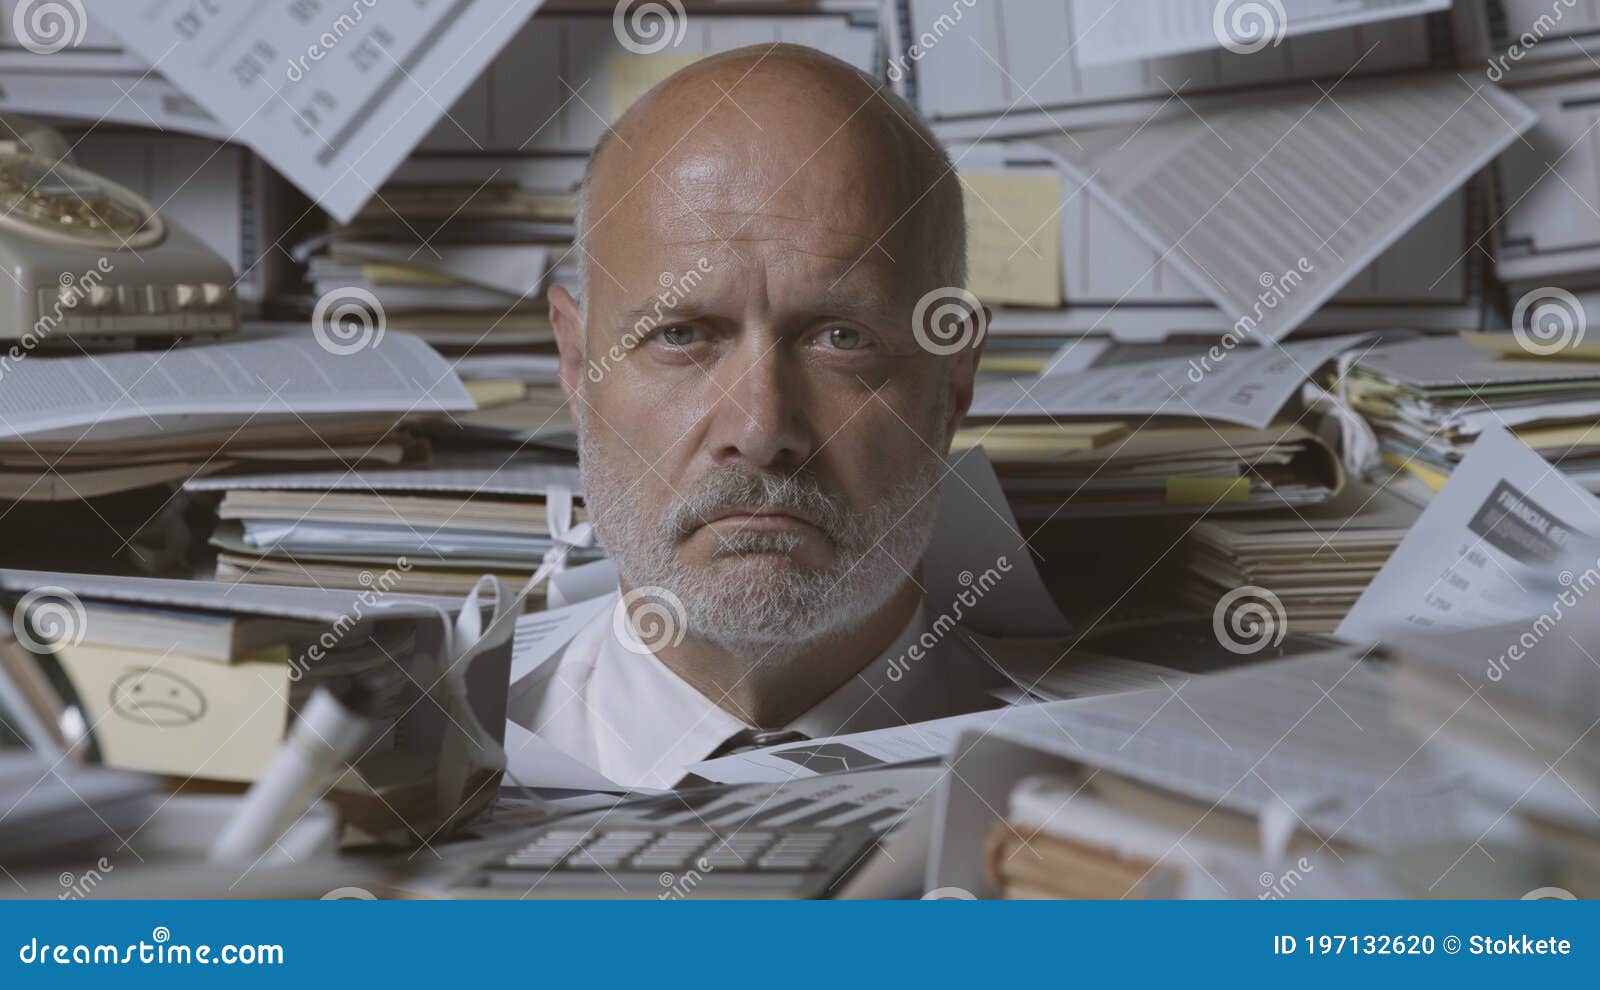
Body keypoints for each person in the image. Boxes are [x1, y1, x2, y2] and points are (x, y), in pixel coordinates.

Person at [519, 43, 1000, 789]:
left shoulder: (1135, 796)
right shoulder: (406, 770)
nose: (761, 428)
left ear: (954, 379)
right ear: (580, 365)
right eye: (680, 335)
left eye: (841, 338)